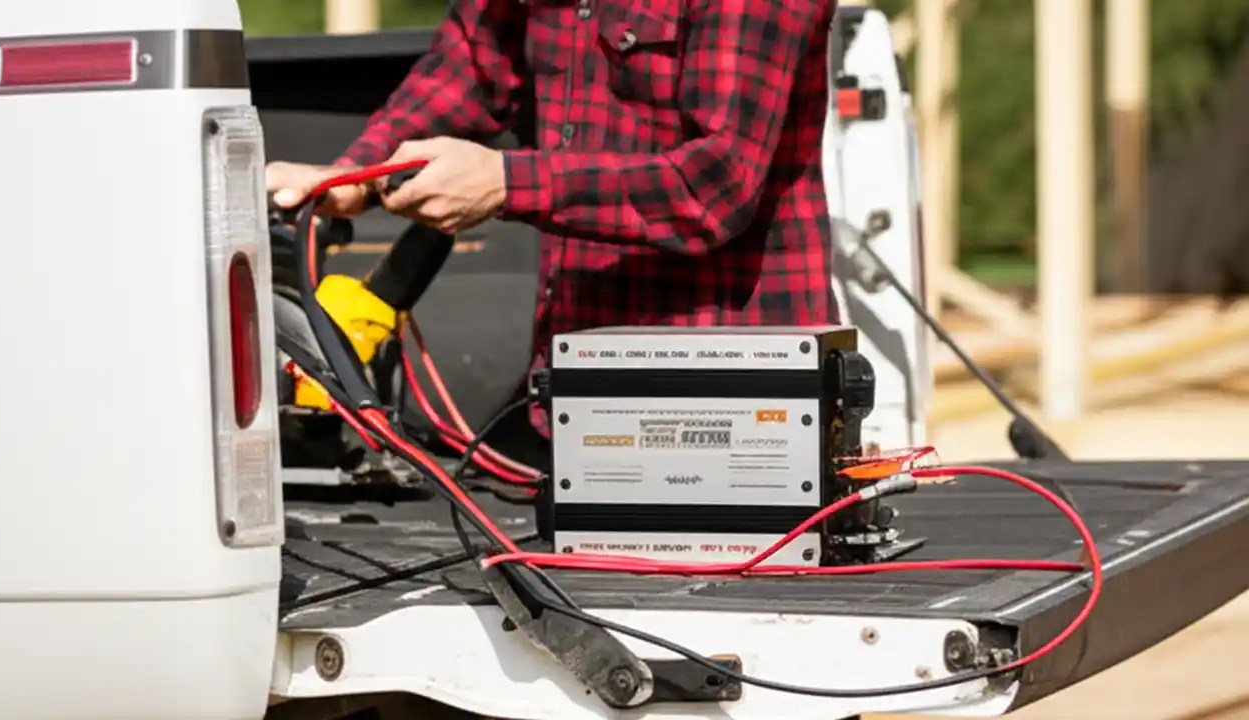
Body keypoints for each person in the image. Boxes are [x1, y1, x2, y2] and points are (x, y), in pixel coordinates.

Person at [267, 0, 841, 441]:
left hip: (732, 400)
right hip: (569, 395)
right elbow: (471, 63)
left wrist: (505, 184)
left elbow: (715, 186)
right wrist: (353, 174)